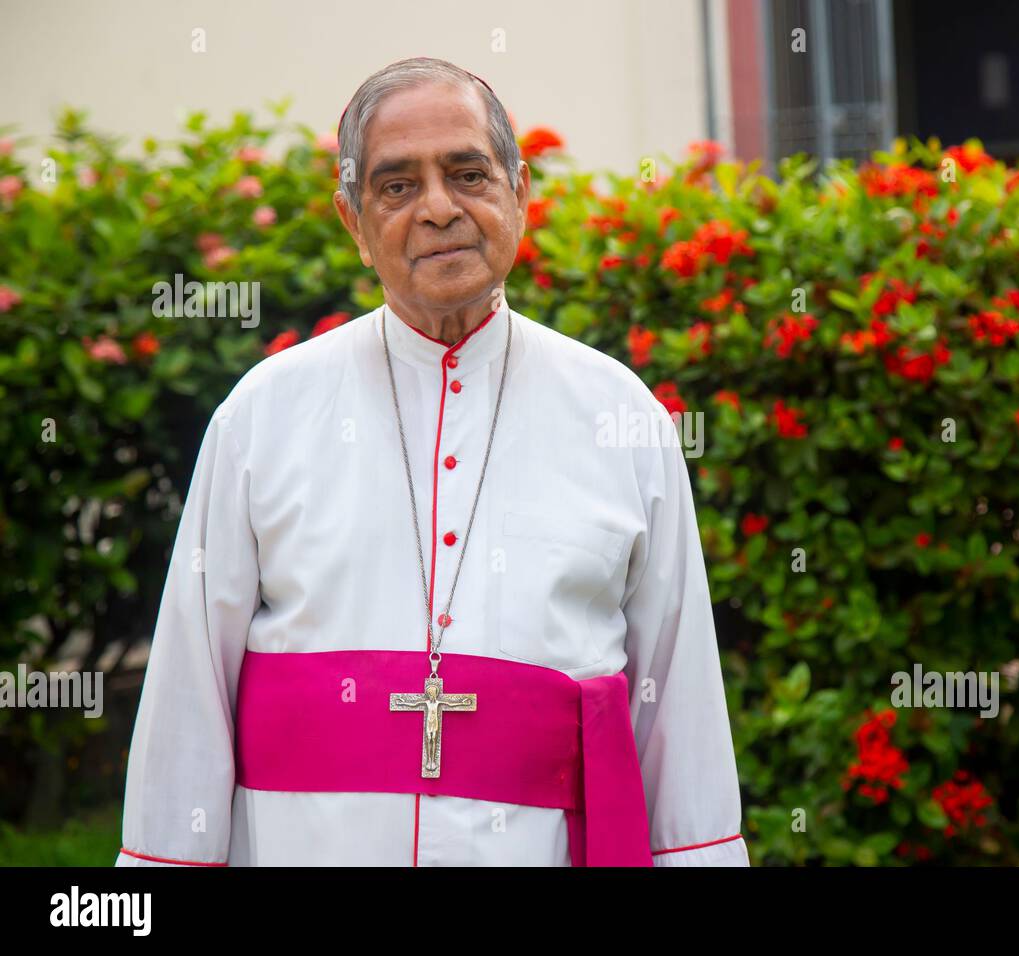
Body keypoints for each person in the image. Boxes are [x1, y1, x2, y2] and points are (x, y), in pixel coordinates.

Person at [114, 57, 748, 867]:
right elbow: (188, 695)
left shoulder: (620, 415)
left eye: (468, 173)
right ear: (353, 219)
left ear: (520, 192)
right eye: (397, 186)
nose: (440, 208)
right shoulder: (263, 415)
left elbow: (677, 704)